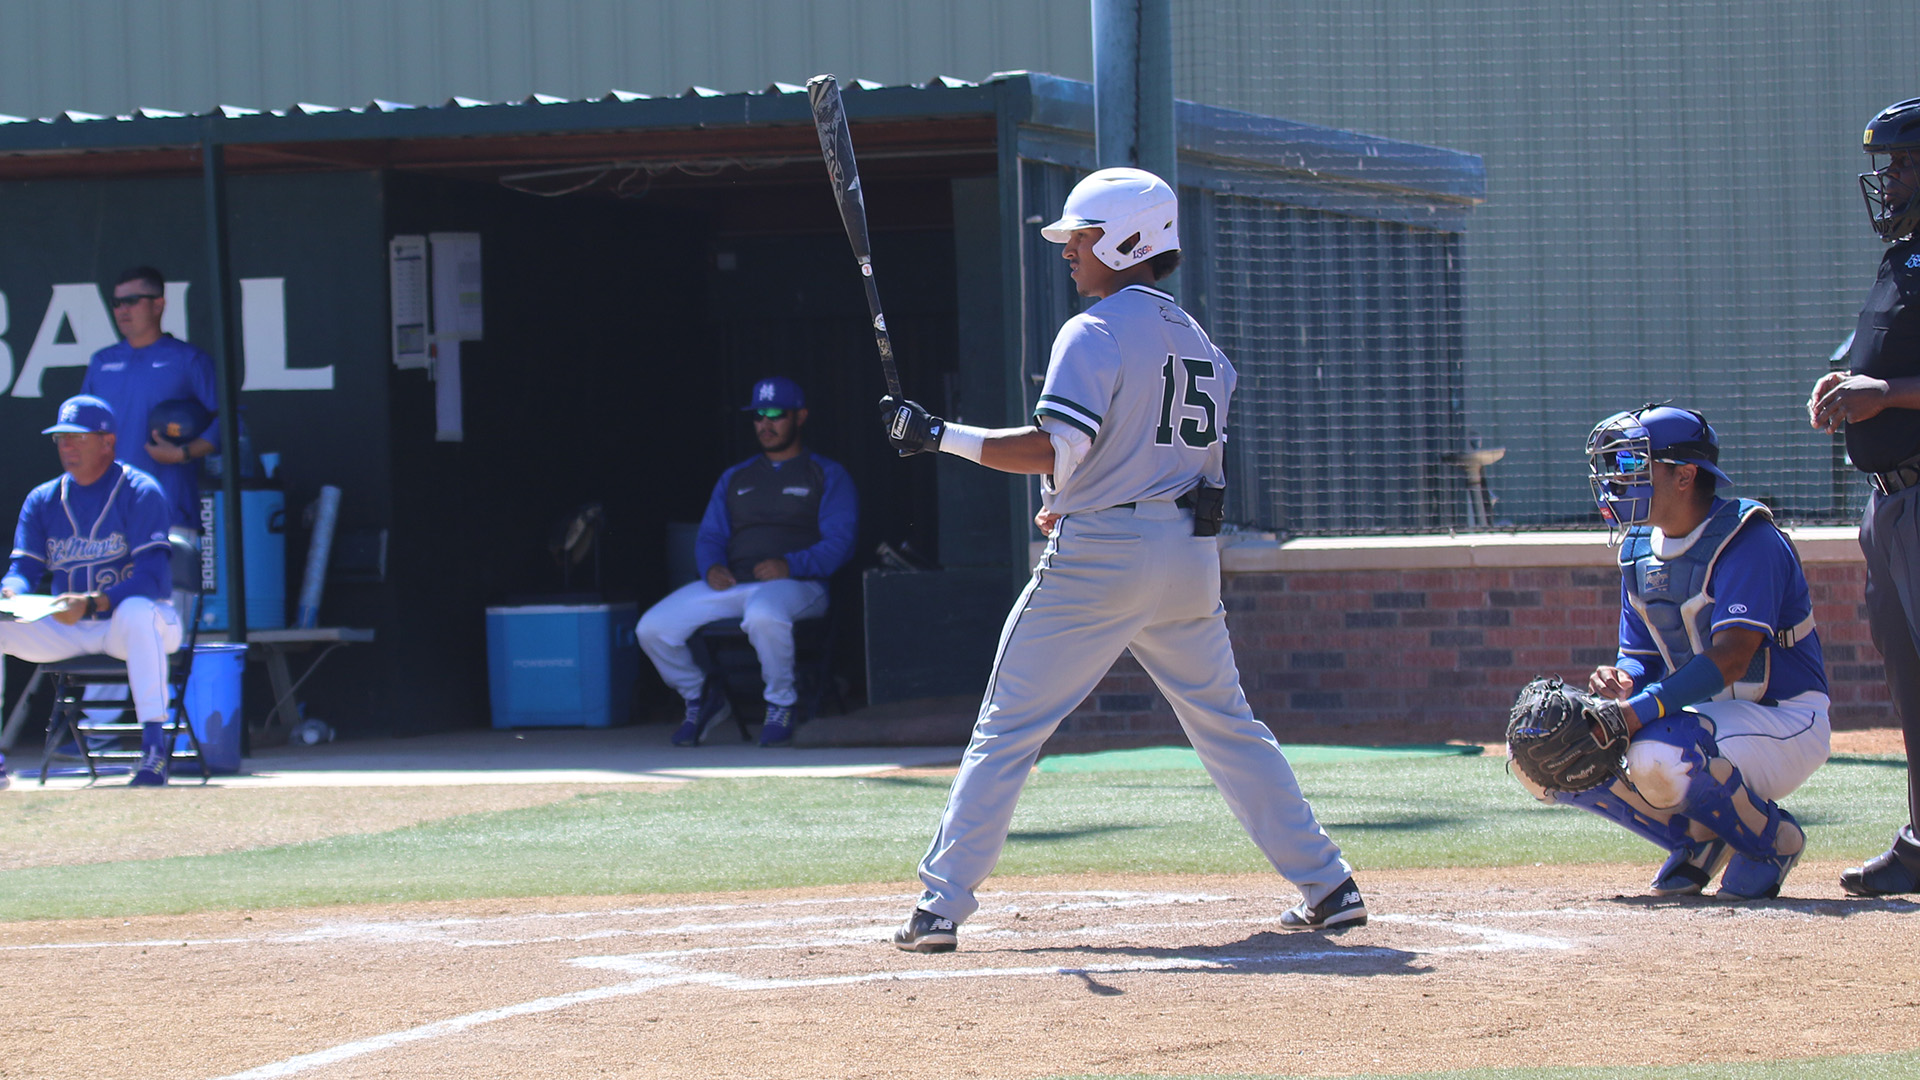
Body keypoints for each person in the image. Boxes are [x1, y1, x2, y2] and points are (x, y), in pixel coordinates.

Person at [877, 167, 1363, 953]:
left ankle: (939, 907)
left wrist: (939, 436)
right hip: (1188, 557)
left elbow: (1052, 445)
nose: (1069, 251)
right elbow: (1117, 457)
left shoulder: (1094, 331)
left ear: (1130, 240)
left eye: (1082, 237)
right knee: (1229, 726)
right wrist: (1074, 489)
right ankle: (1328, 884)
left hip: (1102, 557)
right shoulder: (1202, 344)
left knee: (1007, 727)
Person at [1523, 405, 1829, 899]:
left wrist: (1634, 713)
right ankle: (1699, 841)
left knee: (1660, 753)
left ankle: (1771, 842)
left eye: (1632, 466)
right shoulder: (1638, 548)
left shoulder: (1749, 538)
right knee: (1540, 744)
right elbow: (1640, 656)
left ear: (1685, 475)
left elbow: (1732, 657)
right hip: (1704, 717)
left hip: (1784, 718)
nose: (1618, 480)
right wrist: (1622, 683)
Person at [1808, 98, 1920, 896]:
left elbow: (1895, 380)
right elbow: (1874, 353)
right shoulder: (1902, 257)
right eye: (1890, 166)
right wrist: (1842, 382)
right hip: (1888, 505)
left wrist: (1889, 394)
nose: (1891, 180)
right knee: (1908, 674)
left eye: (1906, 164)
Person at [637, 377, 856, 748]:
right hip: (735, 582)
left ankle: (780, 704)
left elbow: (841, 543)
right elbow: (710, 536)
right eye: (757, 415)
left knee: (763, 613)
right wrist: (711, 567)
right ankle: (699, 695)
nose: (765, 424)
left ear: (800, 417)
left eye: (775, 414)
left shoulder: (827, 474)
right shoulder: (735, 477)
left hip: (799, 586)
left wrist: (790, 564)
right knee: (652, 627)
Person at [0, 396, 183, 788]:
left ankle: (154, 750)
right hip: (68, 625)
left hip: (137, 623)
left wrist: (92, 604)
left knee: (136, 611)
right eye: (62, 438)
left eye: (78, 438)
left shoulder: (139, 490)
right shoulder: (43, 499)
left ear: (107, 441)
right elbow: (24, 569)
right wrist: (11, 593)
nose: (67, 446)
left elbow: (152, 578)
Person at [82, 266, 221, 530]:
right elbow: (80, 429)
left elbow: (228, 420)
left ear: (158, 305)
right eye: (116, 303)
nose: (123, 310)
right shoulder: (101, 362)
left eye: (132, 301)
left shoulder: (189, 360)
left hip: (168, 510)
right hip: (107, 515)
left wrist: (184, 453)